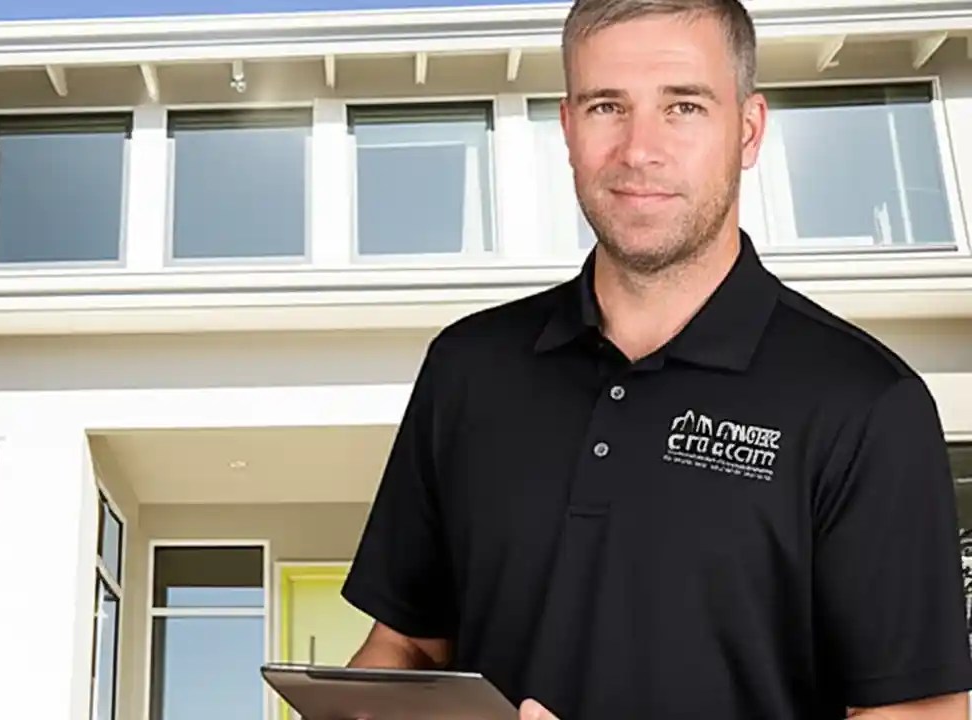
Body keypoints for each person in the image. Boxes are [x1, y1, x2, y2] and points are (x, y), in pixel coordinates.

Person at [339, 0, 972, 718]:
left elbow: (915, 714)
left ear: (749, 129)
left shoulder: (867, 405)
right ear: (569, 129)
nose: (639, 149)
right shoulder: (468, 368)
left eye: (684, 107)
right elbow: (407, 649)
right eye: (608, 105)